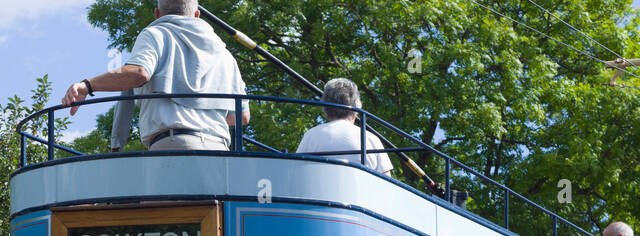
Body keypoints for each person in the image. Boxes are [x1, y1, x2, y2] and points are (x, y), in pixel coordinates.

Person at [61, 0, 249, 151]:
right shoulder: (226, 55)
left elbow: (139, 72)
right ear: (197, 15)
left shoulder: (156, 33)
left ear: (157, 14)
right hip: (221, 152)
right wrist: (202, 114)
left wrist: (87, 85)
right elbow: (241, 117)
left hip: (173, 146)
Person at [295, 78, 393, 176]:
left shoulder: (311, 135)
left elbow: (296, 171)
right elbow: (387, 182)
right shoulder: (372, 139)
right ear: (357, 108)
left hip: (317, 190)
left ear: (325, 108)